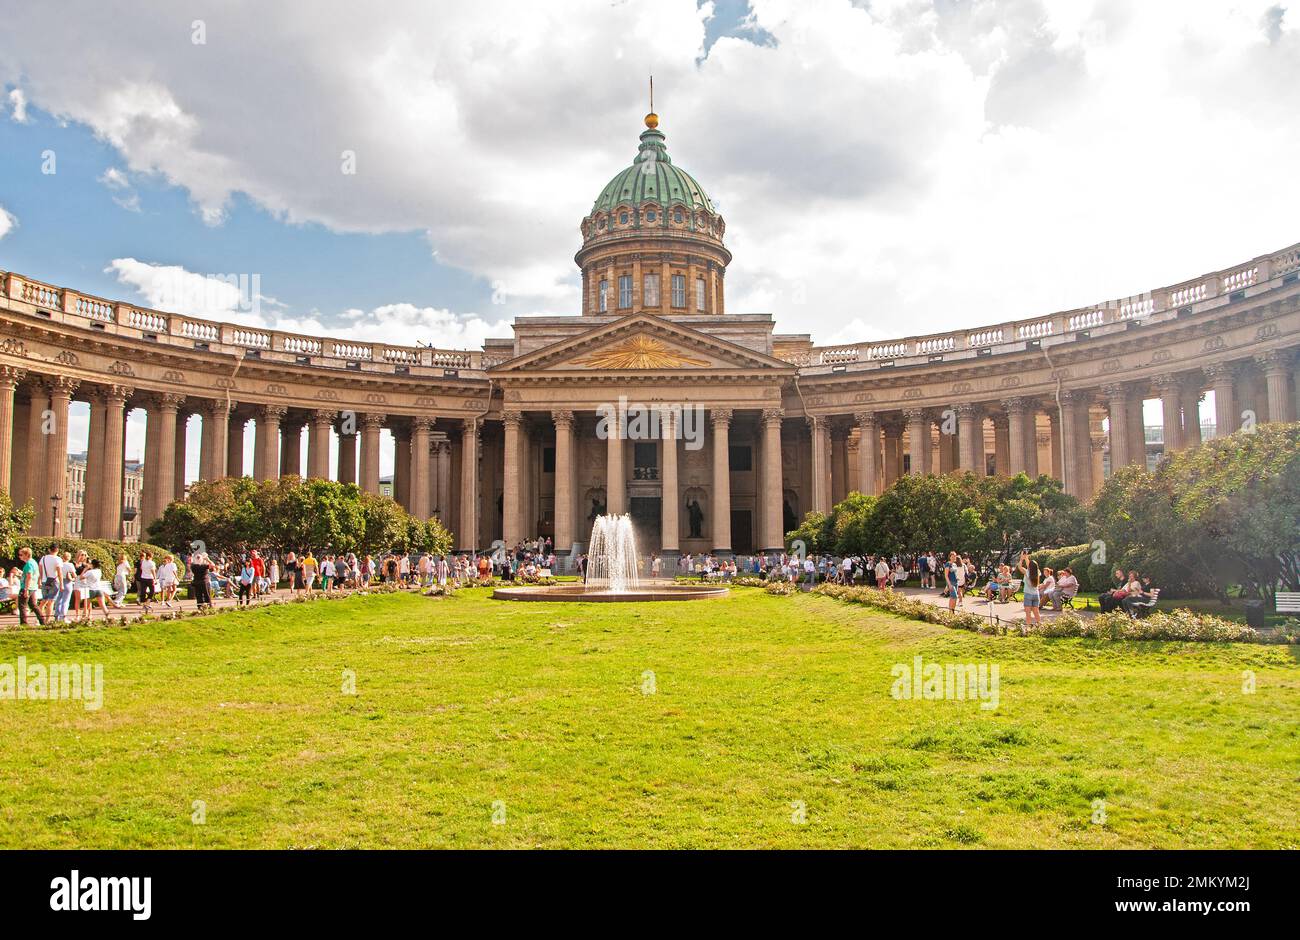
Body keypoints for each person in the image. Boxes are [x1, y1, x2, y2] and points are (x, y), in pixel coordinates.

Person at [16, 547, 45, 626]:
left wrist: (26, 589)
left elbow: (29, 576)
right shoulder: (34, 562)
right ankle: (42, 620)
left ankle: (24, 624)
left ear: (26, 555)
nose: (19, 556)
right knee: (33, 605)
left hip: (27, 587)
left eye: (21, 555)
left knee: (22, 605)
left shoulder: (29, 564)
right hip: (33, 587)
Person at [1018, 550, 1042, 628]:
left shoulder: (1027, 572)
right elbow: (1031, 566)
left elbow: (1020, 567)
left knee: (1028, 613)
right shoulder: (1037, 572)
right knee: (1036, 611)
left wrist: (1022, 559)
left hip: (1028, 594)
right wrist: (1026, 557)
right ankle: (1039, 626)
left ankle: (1028, 627)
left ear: (1029, 567)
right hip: (1036, 594)